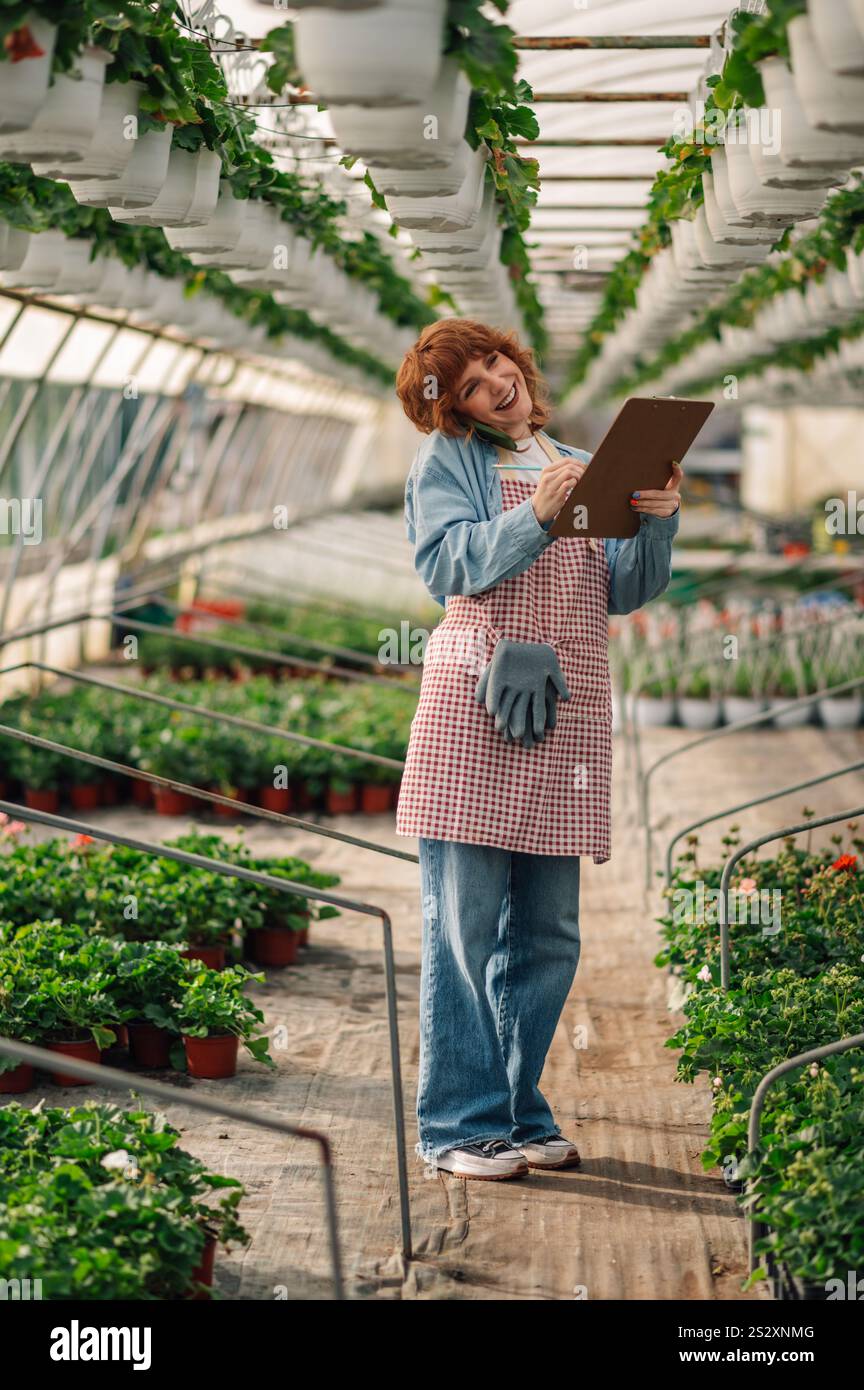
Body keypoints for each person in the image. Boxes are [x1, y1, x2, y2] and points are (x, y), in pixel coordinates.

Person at [394, 318, 683, 1181]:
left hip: (565, 720)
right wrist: (537, 513)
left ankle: (519, 1113)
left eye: (494, 364)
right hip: (475, 714)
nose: (495, 384)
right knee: (466, 928)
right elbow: (445, 564)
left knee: (550, 935)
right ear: (456, 412)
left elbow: (623, 588)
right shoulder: (447, 467)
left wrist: (656, 523)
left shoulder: (579, 456)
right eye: (474, 386)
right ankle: (456, 1125)